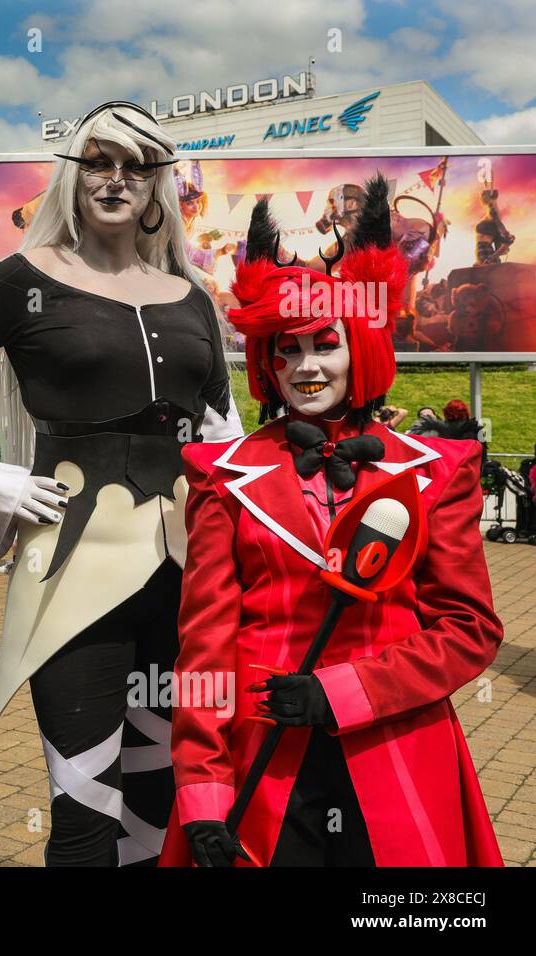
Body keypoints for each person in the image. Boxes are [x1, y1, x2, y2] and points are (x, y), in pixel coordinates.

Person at [0, 100, 242, 866]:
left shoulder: (191, 296)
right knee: (86, 806)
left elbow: (223, 428)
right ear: (74, 173)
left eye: (135, 166)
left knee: (162, 792)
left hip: (187, 579)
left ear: (158, 186)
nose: (115, 179)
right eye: (98, 161)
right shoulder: (22, 278)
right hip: (71, 568)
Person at [161, 178, 503, 867]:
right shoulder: (223, 476)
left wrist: (344, 691)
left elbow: (471, 630)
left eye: (325, 344)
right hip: (265, 765)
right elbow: (202, 653)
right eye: (286, 350)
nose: (306, 366)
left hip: (400, 748)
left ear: (362, 350)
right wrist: (202, 789)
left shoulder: (438, 472)